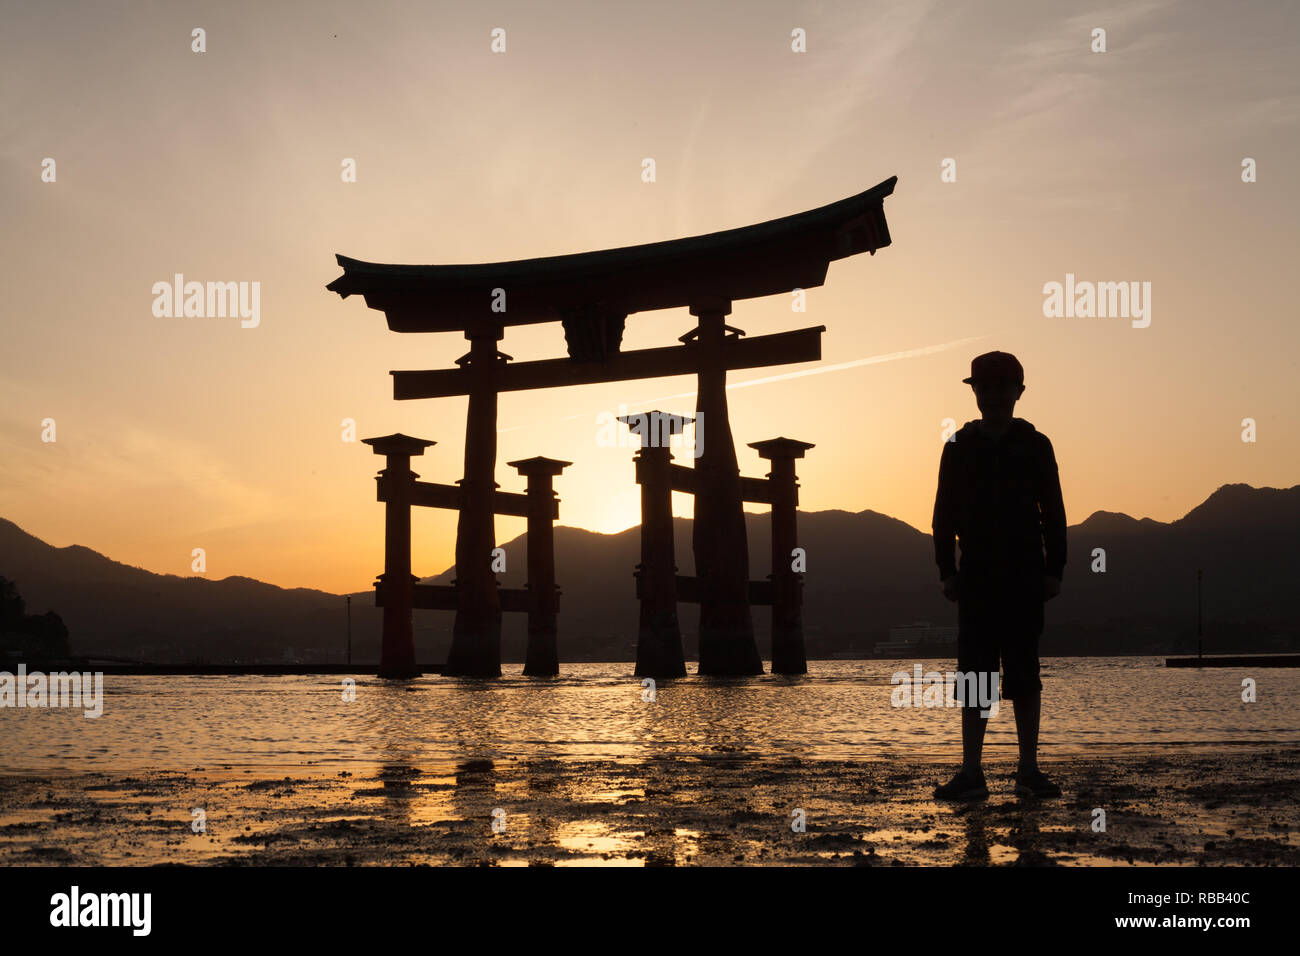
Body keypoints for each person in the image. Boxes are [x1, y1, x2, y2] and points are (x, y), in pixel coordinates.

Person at [930, 351, 1066, 799]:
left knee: (1024, 672)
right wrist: (947, 570)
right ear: (974, 392)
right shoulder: (957, 446)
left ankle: (1028, 769)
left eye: (1002, 386)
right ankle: (972, 772)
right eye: (985, 387)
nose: (993, 394)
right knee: (975, 675)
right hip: (977, 578)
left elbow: (1053, 511)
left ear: (1018, 392)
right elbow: (942, 514)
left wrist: (1055, 569)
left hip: (1025, 574)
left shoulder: (1036, 444)